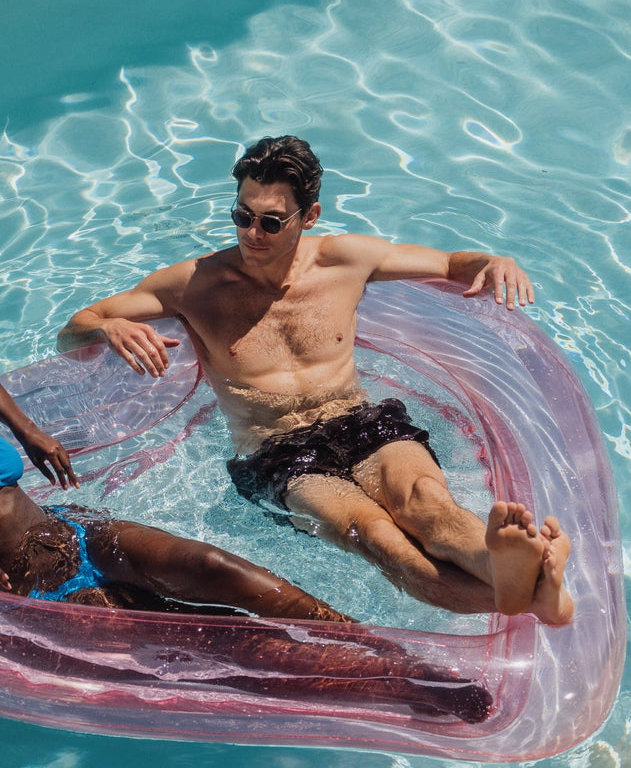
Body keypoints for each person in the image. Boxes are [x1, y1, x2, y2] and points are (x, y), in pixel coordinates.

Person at [57, 135, 573, 626]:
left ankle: (513, 576)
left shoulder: (346, 260)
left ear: (310, 217)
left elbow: (449, 263)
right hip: (277, 453)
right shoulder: (193, 285)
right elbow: (73, 331)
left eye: (271, 222)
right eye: (242, 216)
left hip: (360, 421)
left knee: (425, 501)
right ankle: (532, 592)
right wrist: (107, 327)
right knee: (377, 537)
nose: (252, 234)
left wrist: (495, 261)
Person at [0, 319, 352, 628]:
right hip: (44, 594)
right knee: (207, 632)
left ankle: (356, 636)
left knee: (212, 566)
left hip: (74, 531)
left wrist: (29, 431)